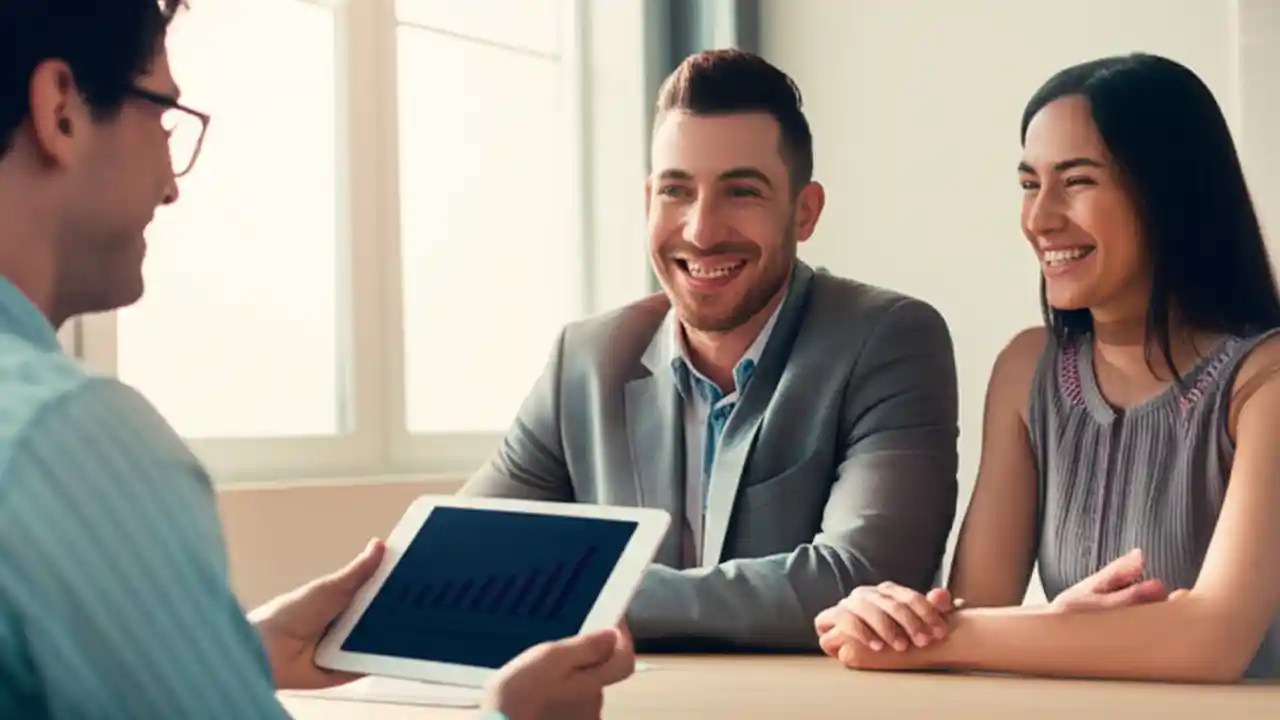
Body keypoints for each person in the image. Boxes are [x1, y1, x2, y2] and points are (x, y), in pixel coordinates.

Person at [0, 2, 631, 718]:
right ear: (61, 113)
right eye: (164, 117)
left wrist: (240, 650)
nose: (171, 182)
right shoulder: (66, 438)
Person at [462, 48, 960, 650]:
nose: (701, 230)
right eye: (676, 191)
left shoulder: (890, 339)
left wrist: (581, 593)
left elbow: (861, 581)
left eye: (741, 192)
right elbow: (461, 555)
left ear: (804, 212)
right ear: (649, 201)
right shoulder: (586, 359)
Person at [815, 53, 1280, 682]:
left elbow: (1212, 641)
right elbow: (973, 616)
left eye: (1078, 181)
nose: (1040, 219)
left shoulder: (1263, 381)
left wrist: (982, 631)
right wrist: (896, 620)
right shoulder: (1026, 371)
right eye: (1030, 184)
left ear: (1172, 191)